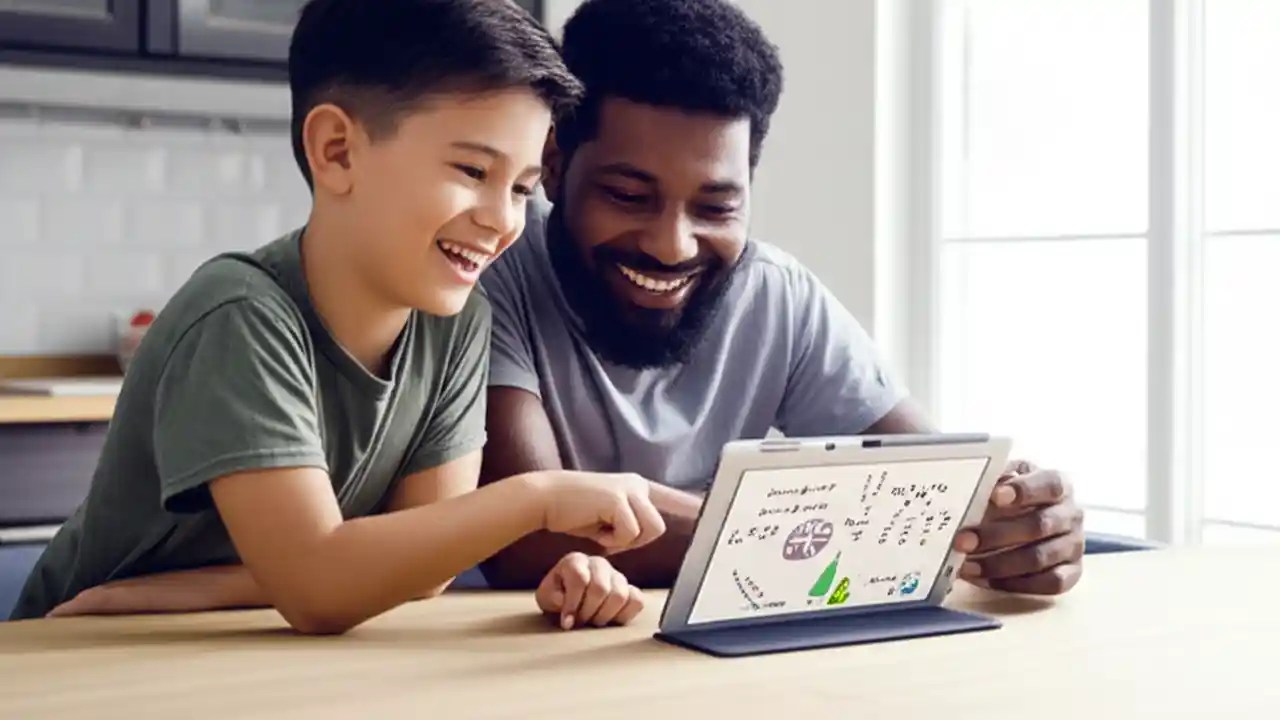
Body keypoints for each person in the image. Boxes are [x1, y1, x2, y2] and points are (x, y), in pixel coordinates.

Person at [10, 0, 666, 633]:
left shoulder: (458, 326)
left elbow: (418, 574)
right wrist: (538, 497)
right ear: (337, 152)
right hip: (76, 652)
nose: (503, 220)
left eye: (522, 188)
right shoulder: (241, 316)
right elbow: (321, 588)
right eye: (472, 170)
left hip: (216, 638)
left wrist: (188, 591)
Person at [477, 0, 1086, 602]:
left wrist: (1017, 526)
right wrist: (815, 532)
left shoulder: (774, 293)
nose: (671, 245)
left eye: (716, 207)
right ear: (554, 166)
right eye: (628, 196)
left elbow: (938, 491)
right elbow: (527, 535)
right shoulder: (488, 267)